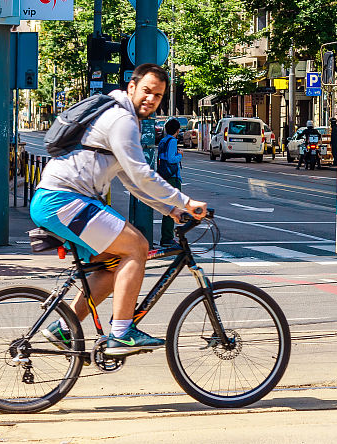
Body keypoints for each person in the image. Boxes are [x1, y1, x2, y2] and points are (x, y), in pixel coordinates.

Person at [30, 64, 208, 357]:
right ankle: (122, 333)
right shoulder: (122, 120)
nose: (151, 99)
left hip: (62, 200)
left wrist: (169, 209)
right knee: (137, 247)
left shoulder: (124, 119)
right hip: (64, 200)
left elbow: (130, 181)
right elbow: (140, 174)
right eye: (147, 91)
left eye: (158, 96)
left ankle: (64, 327)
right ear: (132, 88)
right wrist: (186, 202)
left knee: (115, 264)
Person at [156, 118, 183, 247]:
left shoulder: (163, 140)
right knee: (172, 207)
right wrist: (180, 155)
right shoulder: (172, 141)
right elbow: (172, 159)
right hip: (172, 177)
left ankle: (166, 237)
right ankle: (167, 238)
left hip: (164, 175)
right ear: (177, 130)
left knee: (168, 207)